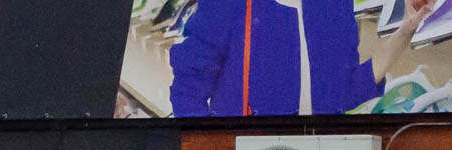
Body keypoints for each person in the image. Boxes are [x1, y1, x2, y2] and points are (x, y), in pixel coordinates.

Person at [169, 0, 436, 117]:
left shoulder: (333, 5)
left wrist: (406, 30)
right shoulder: (228, 4)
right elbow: (187, 92)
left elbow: (344, 93)